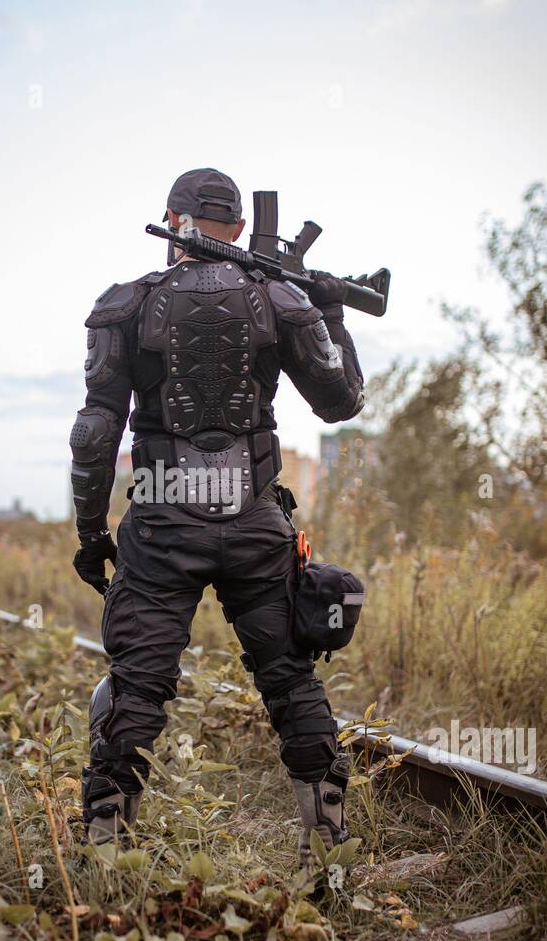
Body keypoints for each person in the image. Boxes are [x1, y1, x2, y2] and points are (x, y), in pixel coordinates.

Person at [69, 167, 365, 866]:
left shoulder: (126, 304)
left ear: (171, 221)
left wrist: (90, 532)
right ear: (236, 229)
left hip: (163, 528)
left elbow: (93, 435)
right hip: (257, 526)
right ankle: (327, 854)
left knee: (137, 683)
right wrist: (331, 313)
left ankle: (108, 857)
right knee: (291, 681)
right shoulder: (279, 299)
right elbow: (342, 402)